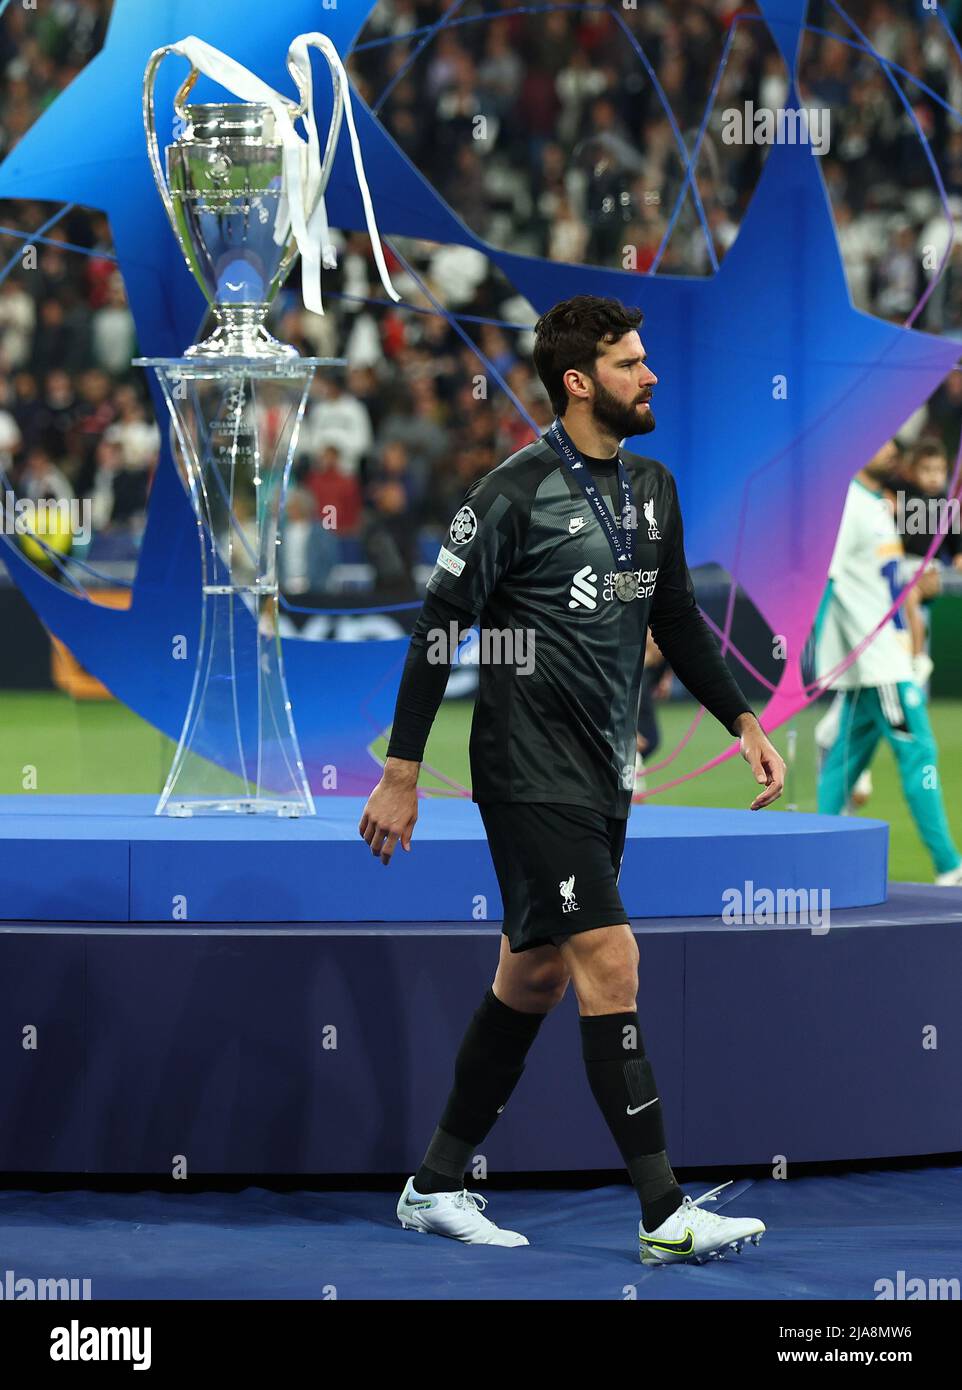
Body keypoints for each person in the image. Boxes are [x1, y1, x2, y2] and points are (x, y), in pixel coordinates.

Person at [360, 295, 785, 1264]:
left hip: (604, 775)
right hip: (525, 770)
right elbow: (437, 628)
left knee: (535, 972)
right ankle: (662, 1212)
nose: (651, 376)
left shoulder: (653, 488)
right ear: (578, 382)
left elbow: (673, 616)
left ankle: (432, 1184)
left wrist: (743, 720)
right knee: (610, 958)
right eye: (631, 363)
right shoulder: (509, 494)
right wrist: (400, 772)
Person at [814, 440, 962, 885]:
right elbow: (827, 582)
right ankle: (950, 867)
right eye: (879, 441)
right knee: (920, 753)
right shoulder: (848, 507)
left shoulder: (878, 505)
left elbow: (891, 587)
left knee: (842, 763)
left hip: (883, 659)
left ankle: (813, 856)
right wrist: (823, 661)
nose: (893, 448)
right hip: (878, 665)